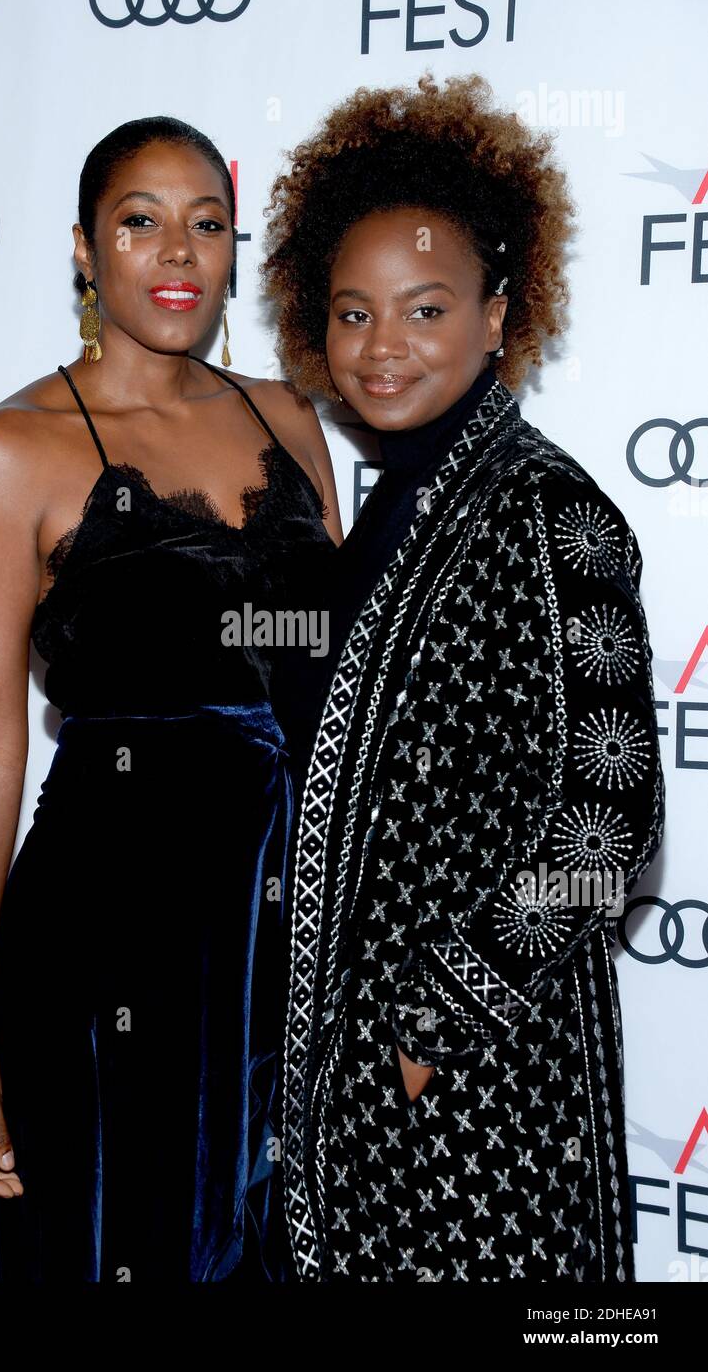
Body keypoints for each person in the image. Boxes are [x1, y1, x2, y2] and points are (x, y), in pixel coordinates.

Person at [263, 73, 665, 1282]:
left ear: (499, 314)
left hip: (494, 1108)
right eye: (352, 313)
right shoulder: (380, 511)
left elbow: (610, 816)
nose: (381, 349)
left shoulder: (552, 511)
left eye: (423, 309)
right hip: (352, 1105)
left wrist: (434, 1023)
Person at [0, 116, 341, 1283]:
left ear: (232, 250)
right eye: (139, 223)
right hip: (109, 928)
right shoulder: (11, 451)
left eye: (205, 225)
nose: (176, 254)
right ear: (83, 249)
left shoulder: (291, 418)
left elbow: (339, 677)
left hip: (283, 923)